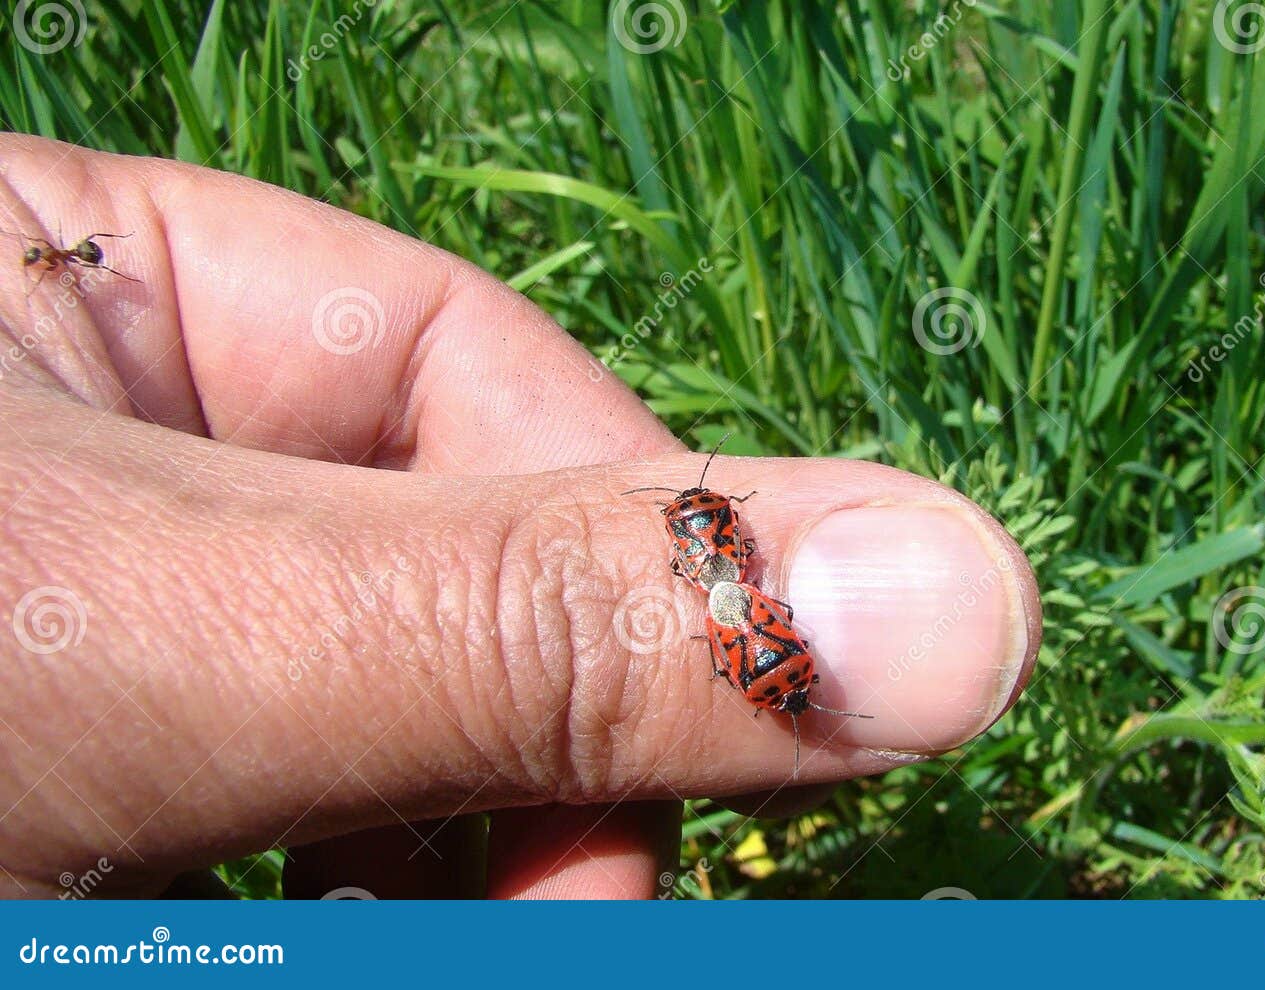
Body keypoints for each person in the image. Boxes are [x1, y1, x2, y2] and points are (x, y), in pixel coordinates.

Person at [0, 134, 1040, 899]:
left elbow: (710, 577)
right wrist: (588, 632)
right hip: (747, 633)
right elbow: (694, 580)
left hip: (742, 630)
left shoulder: (712, 568)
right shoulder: (719, 563)